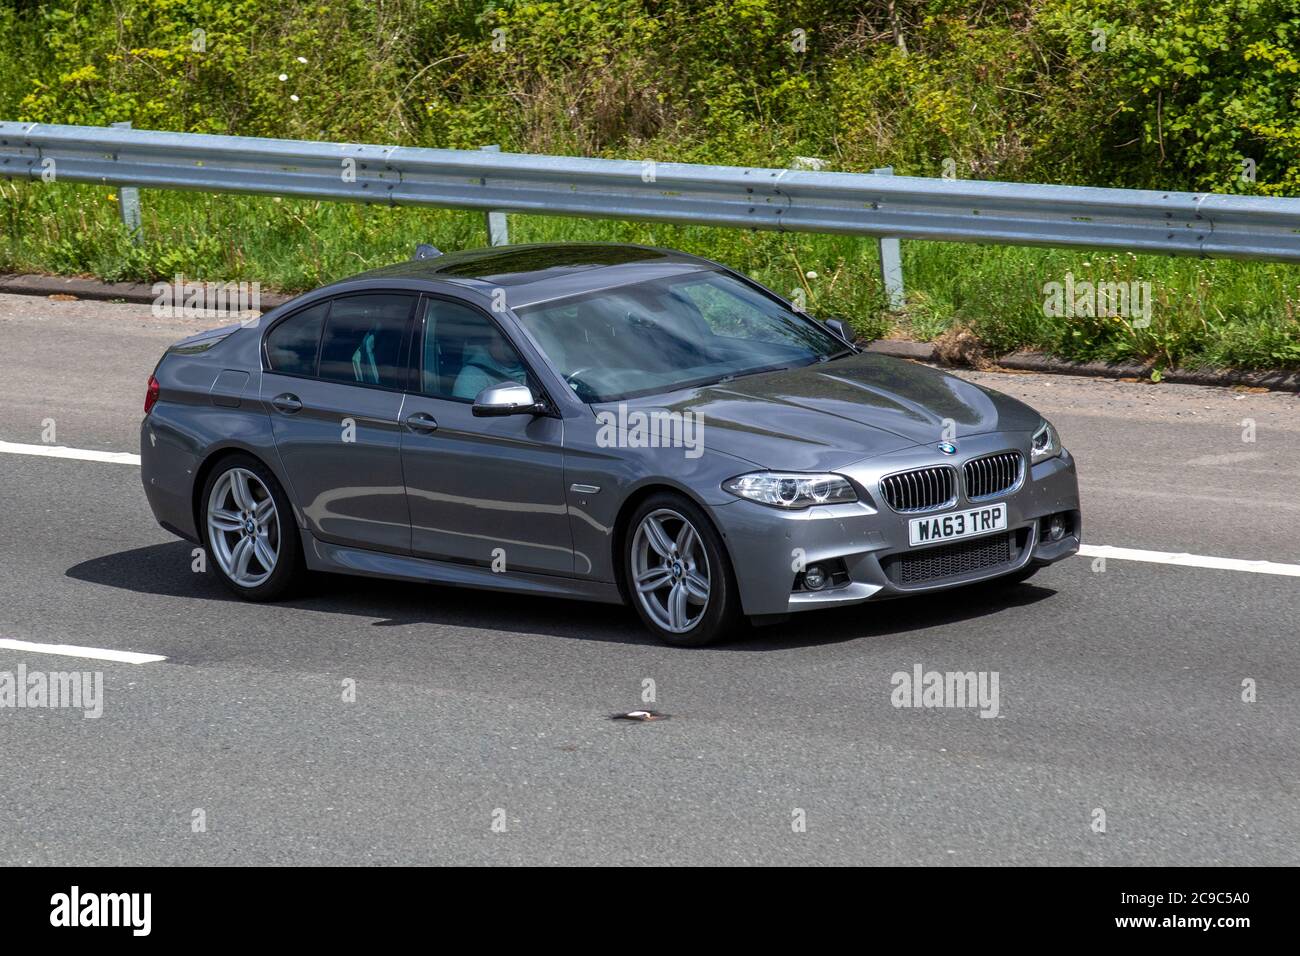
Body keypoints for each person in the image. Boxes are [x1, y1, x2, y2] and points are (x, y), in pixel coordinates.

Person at [452, 331, 527, 400]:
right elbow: (467, 413)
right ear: (491, 341)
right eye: (503, 337)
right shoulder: (472, 376)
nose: (512, 342)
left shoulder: (531, 365)